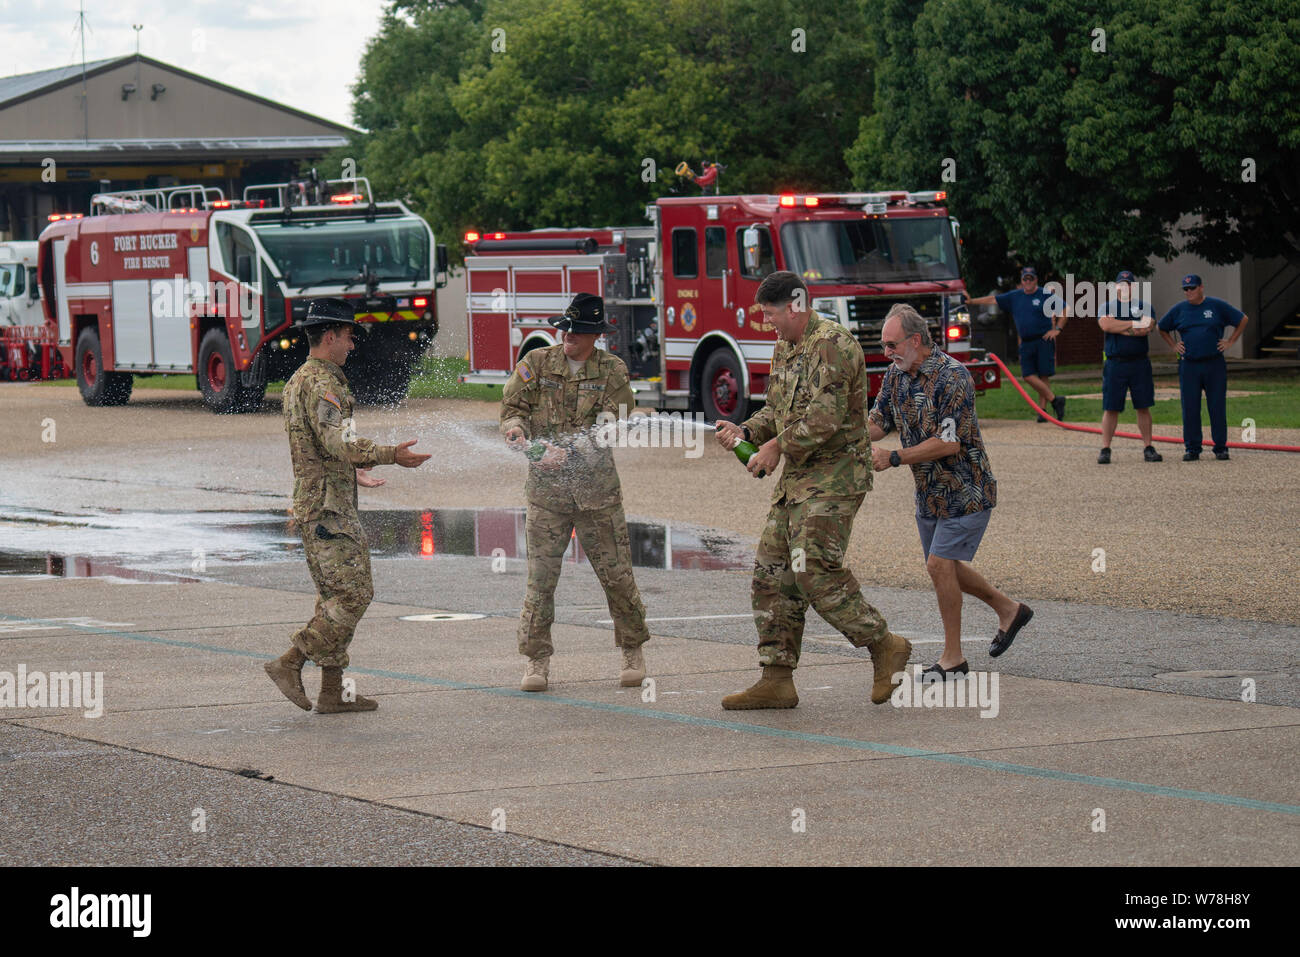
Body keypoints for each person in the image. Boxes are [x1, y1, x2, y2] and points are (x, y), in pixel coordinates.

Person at [715, 271, 911, 710]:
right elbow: (777, 409)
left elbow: (824, 418)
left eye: (771, 315)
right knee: (771, 573)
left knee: (812, 570)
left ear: (796, 306)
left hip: (837, 476)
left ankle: (884, 645)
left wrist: (774, 447)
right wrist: (745, 429)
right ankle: (776, 678)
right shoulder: (786, 347)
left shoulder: (834, 344)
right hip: (799, 482)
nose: (769, 324)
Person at [265, 298, 431, 713]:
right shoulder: (324, 383)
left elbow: (317, 444)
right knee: (355, 594)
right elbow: (336, 440)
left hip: (319, 502)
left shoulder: (299, 379)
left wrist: (353, 468)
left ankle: (332, 690)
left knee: (332, 598)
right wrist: (391, 453)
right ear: (331, 336)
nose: (353, 345)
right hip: (328, 510)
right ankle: (291, 661)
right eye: (349, 336)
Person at [869, 303, 1033, 676]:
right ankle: (1010, 610)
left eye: (892, 344)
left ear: (915, 340)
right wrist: (845, 438)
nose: (886, 352)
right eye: (884, 345)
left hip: (966, 489)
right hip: (929, 493)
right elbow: (879, 421)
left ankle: (953, 658)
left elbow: (948, 442)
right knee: (946, 570)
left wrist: (893, 457)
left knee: (938, 564)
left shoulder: (952, 376)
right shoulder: (896, 375)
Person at [500, 292, 651, 693]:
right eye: (565, 329)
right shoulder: (535, 363)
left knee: (616, 576)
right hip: (547, 497)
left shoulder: (612, 371)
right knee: (541, 581)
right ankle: (536, 661)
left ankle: (632, 650)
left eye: (577, 332)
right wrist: (522, 439)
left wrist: (568, 451)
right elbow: (511, 411)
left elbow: (609, 426)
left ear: (595, 336)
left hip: (596, 496)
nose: (567, 337)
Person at [1157, 274, 1249, 461]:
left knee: (1216, 405)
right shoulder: (1180, 310)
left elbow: (1243, 319)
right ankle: (1192, 448)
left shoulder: (1216, 306)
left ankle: (1221, 447)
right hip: (1189, 364)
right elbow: (1162, 327)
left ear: (1201, 288)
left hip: (1214, 363)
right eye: (1185, 289)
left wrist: (1231, 341)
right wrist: (1174, 346)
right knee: (1190, 407)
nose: (1188, 292)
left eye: (1192, 288)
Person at [966, 266, 1069, 421]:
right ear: (1021, 281)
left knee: (1043, 375)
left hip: (1043, 339)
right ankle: (1055, 400)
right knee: (1027, 375)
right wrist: (972, 301)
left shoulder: (1045, 295)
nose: (1028, 281)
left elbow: (1065, 309)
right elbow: (993, 299)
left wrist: (1058, 329)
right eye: (1025, 279)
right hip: (1026, 341)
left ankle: (1043, 411)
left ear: (1036, 280)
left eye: (1031, 278)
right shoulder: (1015, 296)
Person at [1097, 270, 1162, 464]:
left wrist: (1121, 327)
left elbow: (1145, 328)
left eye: (1128, 284)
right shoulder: (1106, 306)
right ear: (1116, 287)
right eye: (1121, 284)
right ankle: (1105, 449)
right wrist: (1131, 326)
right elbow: (1105, 326)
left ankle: (1148, 447)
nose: (1124, 287)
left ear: (1133, 287)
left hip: (1139, 363)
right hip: (1115, 363)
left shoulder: (1144, 306)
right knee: (1111, 407)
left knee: (1143, 406)